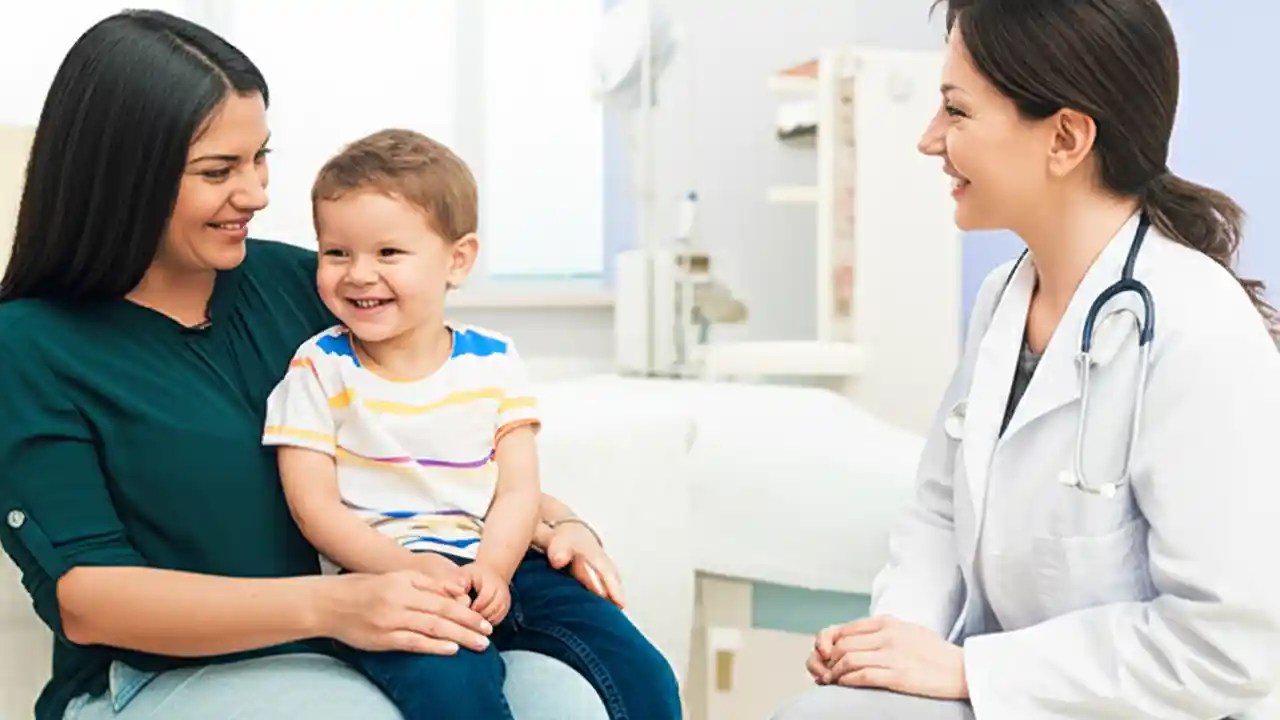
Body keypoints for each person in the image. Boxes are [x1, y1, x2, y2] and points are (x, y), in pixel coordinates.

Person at [0, 10, 628, 720]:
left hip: (362, 637)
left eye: (260, 157)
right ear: (123, 177)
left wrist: (557, 521)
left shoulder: (307, 288)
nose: (258, 194)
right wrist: (336, 605)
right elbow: (87, 597)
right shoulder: (30, 346)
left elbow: (428, 439)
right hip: (155, 677)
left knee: (572, 702)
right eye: (219, 171)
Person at [775, 0, 1280, 718]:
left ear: (1066, 138)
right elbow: (940, 513)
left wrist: (968, 669)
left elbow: (1228, 649)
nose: (928, 139)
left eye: (956, 112)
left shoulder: (1196, 329)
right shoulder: (1004, 299)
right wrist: (895, 646)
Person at [263, 128, 682, 719]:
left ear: (457, 260)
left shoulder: (494, 361)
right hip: (389, 579)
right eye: (337, 253)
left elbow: (517, 489)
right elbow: (316, 510)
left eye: (388, 253)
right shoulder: (317, 367)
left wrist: (494, 569)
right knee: (454, 689)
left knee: (642, 671)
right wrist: (409, 568)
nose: (358, 273)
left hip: (504, 563)